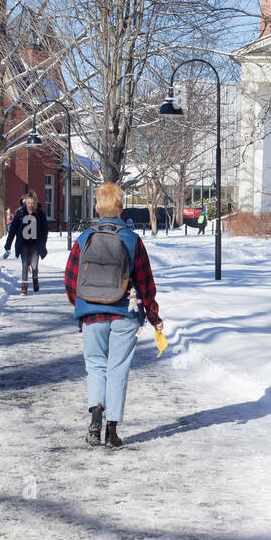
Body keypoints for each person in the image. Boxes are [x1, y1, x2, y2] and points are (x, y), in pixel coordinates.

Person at [65, 182, 163, 448]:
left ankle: (95, 419)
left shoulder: (84, 238)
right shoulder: (132, 239)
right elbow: (145, 281)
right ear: (121, 208)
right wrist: (153, 315)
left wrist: (82, 307)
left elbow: (71, 279)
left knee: (95, 365)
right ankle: (112, 430)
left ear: (97, 207)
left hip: (92, 313)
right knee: (117, 368)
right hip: (124, 312)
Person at [4, 189, 49, 295]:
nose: (30, 205)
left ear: (35, 203)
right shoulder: (20, 213)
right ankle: (24, 287)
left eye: (32, 203)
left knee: (34, 266)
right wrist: (8, 245)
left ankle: (35, 278)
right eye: (28, 203)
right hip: (23, 243)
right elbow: (13, 229)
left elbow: (44, 229)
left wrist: (43, 242)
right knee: (24, 265)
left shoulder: (40, 214)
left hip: (35, 244)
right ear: (25, 202)